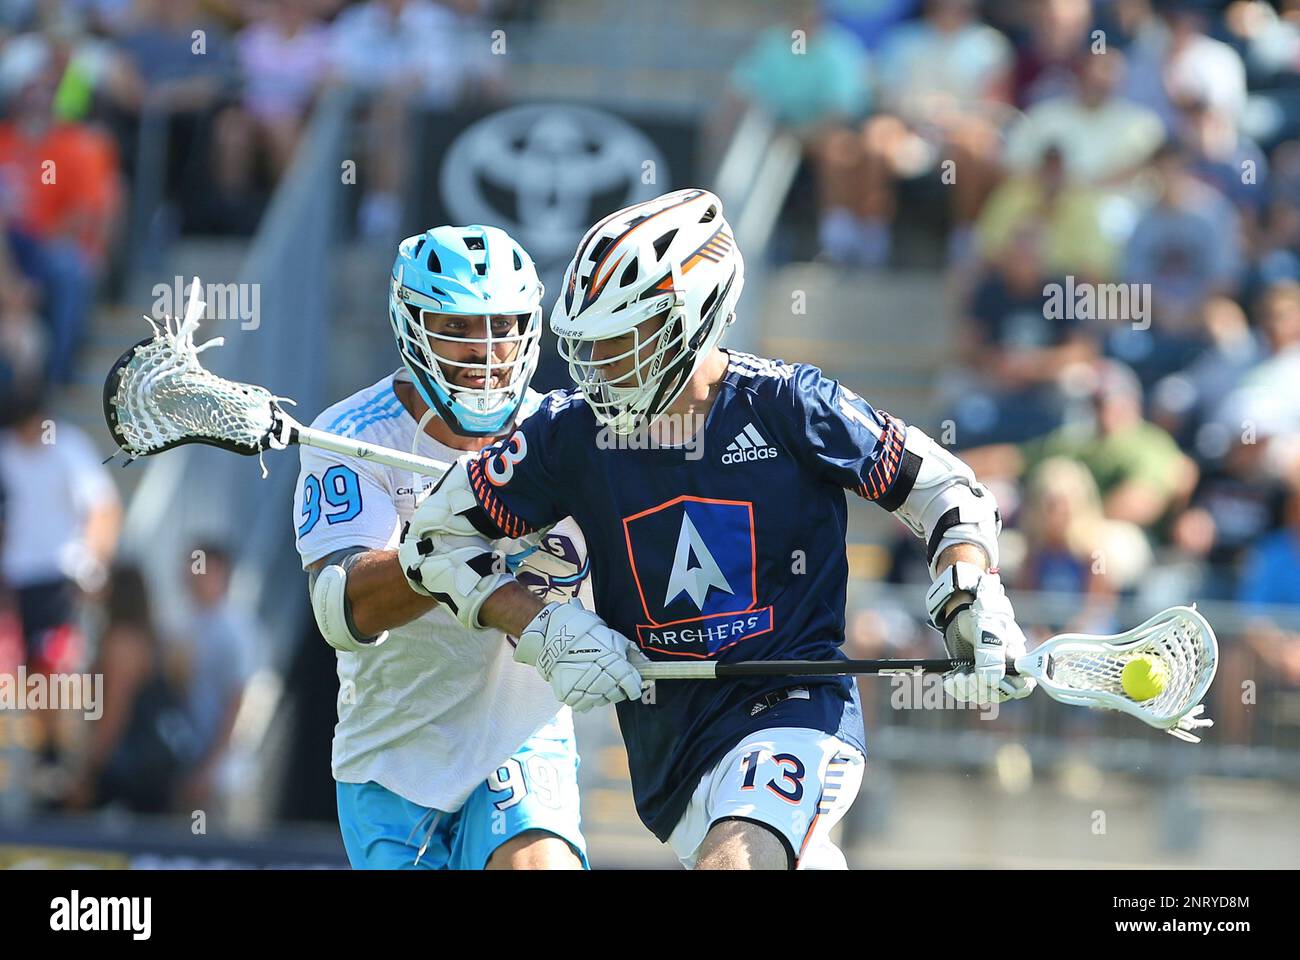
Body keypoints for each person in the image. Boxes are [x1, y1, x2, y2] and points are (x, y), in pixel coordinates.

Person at [399, 188, 1035, 870]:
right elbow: (433, 541)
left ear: (691, 319)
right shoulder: (568, 434)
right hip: (670, 750)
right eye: (589, 342)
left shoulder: (790, 405)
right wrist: (539, 624)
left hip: (795, 710)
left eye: (621, 340)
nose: (598, 364)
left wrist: (972, 591)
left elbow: (947, 491)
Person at [293, 224, 591, 870]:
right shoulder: (349, 436)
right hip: (396, 758)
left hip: (518, 737)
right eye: (458, 327)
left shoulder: (563, 440)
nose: (487, 352)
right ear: (412, 327)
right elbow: (343, 611)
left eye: (504, 325)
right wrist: (434, 561)